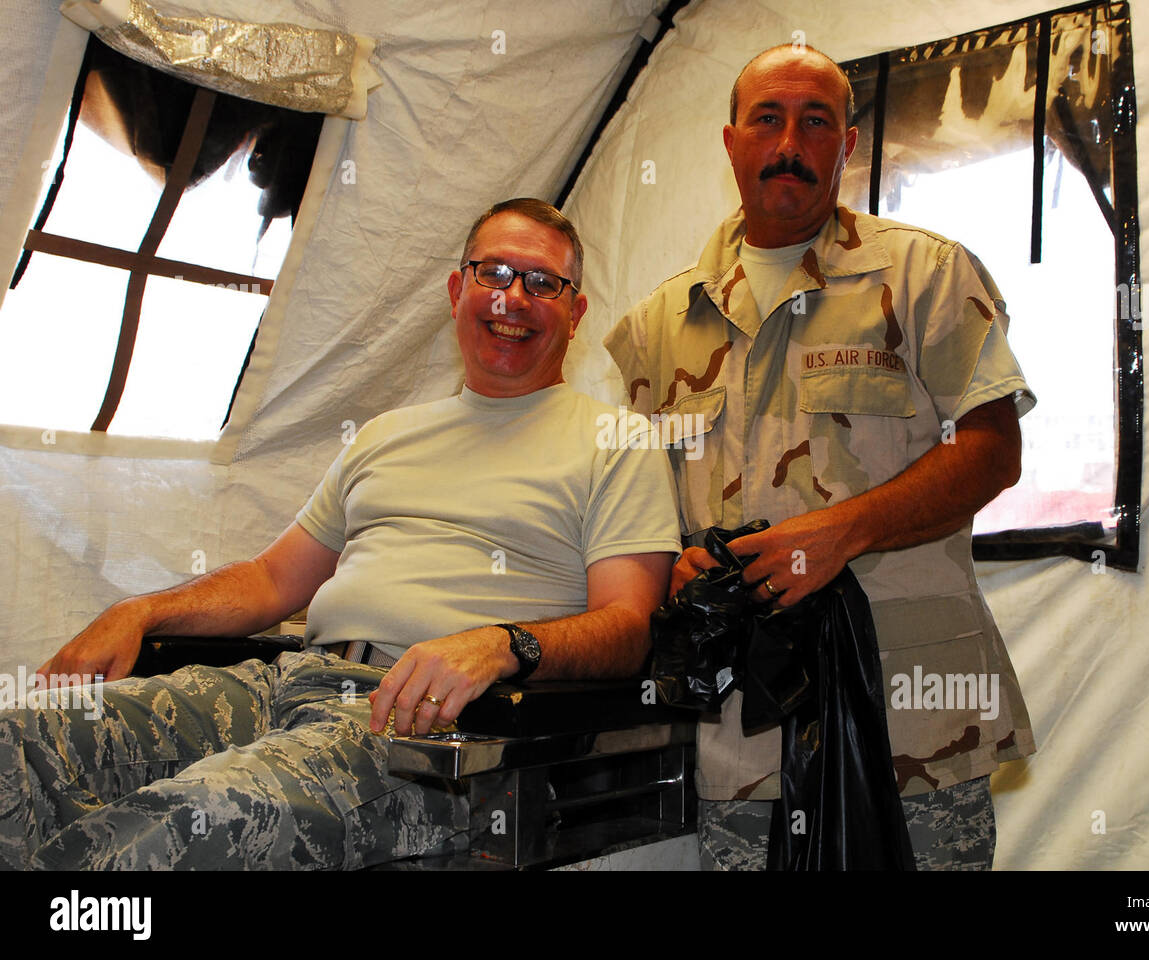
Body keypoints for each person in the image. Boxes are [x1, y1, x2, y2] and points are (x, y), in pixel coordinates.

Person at [0, 198, 682, 870]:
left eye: (543, 283)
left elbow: (629, 627)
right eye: (493, 273)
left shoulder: (615, 442)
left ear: (576, 312)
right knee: (17, 744)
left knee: (186, 824)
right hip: (288, 678)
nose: (514, 298)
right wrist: (138, 611)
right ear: (457, 290)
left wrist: (505, 643)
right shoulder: (385, 435)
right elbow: (272, 580)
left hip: (431, 726)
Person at [604, 45, 1036, 870]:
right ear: (732, 141)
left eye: (817, 122)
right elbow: (638, 496)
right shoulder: (659, 324)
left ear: (848, 144)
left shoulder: (925, 274)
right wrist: (673, 566)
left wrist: (842, 533)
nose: (790, 143)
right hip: (738, 730)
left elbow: (991, 454)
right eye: (768, 119)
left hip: (909, 720)